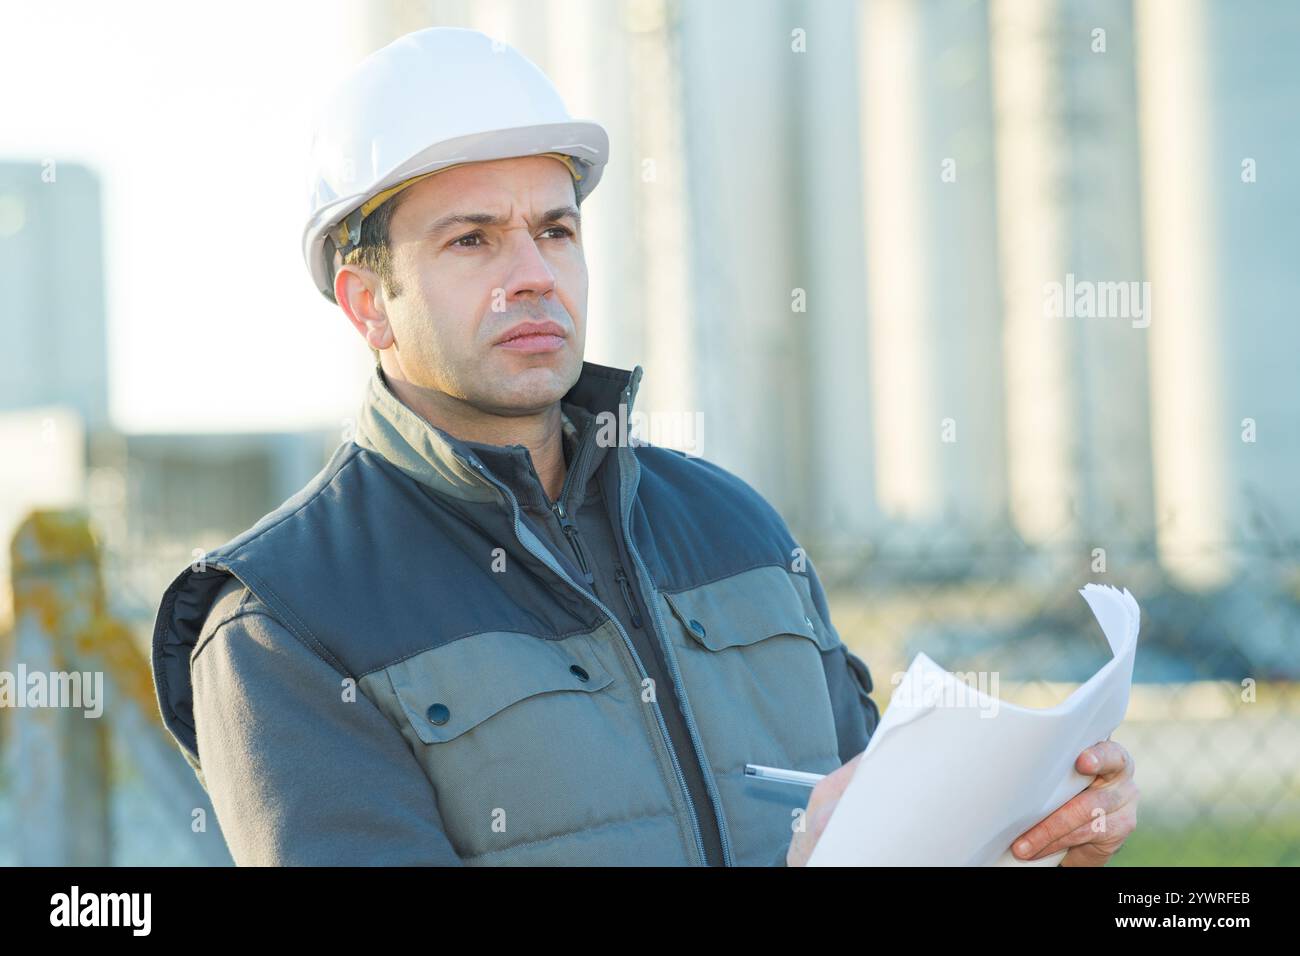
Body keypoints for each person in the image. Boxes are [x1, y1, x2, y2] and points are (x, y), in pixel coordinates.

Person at [150, 26, 1137, 867]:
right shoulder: (284, 620)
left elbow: (882, 818)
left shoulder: (731, 523)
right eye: (472, 240)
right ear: (370, 303)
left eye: (555, 229)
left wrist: (1027, 824)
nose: (533, 275)